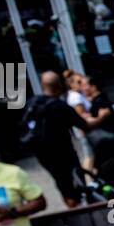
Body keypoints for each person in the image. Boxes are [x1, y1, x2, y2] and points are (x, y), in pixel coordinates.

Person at [27, 70, 92, 208]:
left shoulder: (32, 103)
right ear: (59, 86)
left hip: (42, 154)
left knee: (61, 181)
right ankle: (80, 206)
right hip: (63, 151)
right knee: (75, 178)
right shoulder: (61, 106)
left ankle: (71, 202)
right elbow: (83, 125)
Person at [77, 73, 114, 169]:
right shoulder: (97, 99)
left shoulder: (100, 102)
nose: (82, 88)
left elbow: (98, 120)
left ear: (93, 86)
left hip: (109, 141)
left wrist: (90, 120)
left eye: (85, 85)